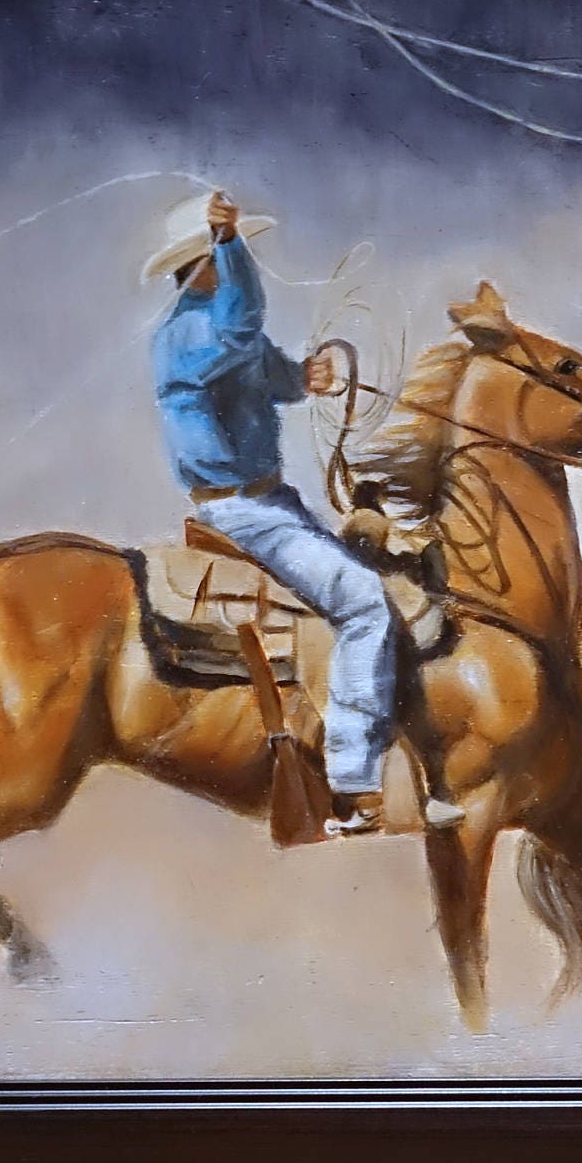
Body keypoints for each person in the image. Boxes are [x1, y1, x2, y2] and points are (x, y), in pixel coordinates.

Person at [143, 189, 454, 836]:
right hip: (246, 514)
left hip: (269, 503)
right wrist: (230, 243)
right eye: (228, 254)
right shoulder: (192, 329)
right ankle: (353, 779)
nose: (241, 259)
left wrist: (305, 377)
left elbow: (267, 370)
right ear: (204, 262)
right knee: (366, 602)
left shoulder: (212, 332)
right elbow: (243, 330)